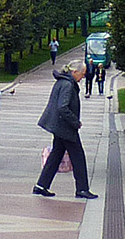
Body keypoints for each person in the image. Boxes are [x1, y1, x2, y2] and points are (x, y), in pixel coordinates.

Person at [32, 60, 97, 199]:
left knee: (56, 154)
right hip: (65, 127)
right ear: (74, 72)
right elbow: (63, 107)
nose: (83, 77)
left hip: (59, 126)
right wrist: (75, 122)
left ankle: (41, 185)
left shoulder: (62, 82)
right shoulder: (68, 85)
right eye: (82, 74)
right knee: (78, 157)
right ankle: (82, 189)